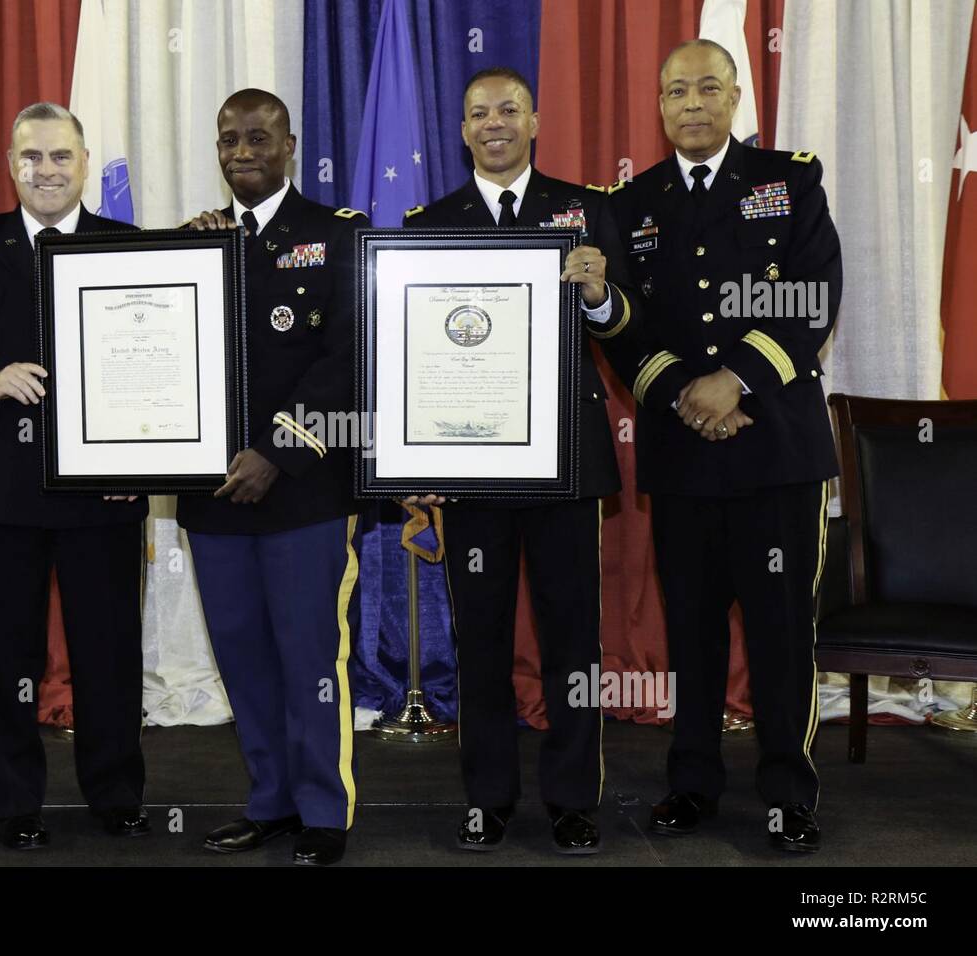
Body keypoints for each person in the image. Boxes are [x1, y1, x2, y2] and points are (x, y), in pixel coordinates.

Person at [608, 38, 842, 853]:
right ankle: (692, 783)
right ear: (661, 106)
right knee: (693, 631)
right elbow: (625, 329)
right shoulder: (633, 202)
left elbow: (814, 298)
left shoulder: (789, 179)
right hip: (683, 452)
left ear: (735, 95)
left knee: (781, 632)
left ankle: (788, 795)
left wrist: (734, 381)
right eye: (677, 91)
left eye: (709, 87)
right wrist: (687, 393)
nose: (693, 103)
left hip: (777, 449)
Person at [404, 66, 645, 855]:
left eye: (509, 109)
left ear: (535, 121)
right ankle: (487, 797)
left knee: (573, 638)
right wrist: (419, 453)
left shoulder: (587, 211)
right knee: (479, 638)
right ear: (463, 129)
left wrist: (599, 296)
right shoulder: (428, 224)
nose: (495, 123)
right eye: (479, 113)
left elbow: (622, 330)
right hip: (471, 462)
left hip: (566, 462)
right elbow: (411, 352)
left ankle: (574, 797)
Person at [0, 103, 148, 850]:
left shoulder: (131, 249)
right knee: (0, 654)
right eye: (32, 157)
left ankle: (116, 794)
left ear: (84, 161)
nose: (47, 170)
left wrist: (141, 462)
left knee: (108, 651)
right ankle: (15, 802)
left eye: (61, 156)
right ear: (11, 166)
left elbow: (163, 368)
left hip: (102, 490)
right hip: (0, 491)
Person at [179, 89, 368, 866]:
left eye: (259, 137)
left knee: (308, 656)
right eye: (228, 140)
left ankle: (324, 811)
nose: (242, 152)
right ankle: (270, 801)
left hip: (304, 493)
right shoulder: (194, 243)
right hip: (212, 495)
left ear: (290, 144)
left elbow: (351, 359)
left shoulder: (338, 235)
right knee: (244, 657)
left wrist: (277, 451)